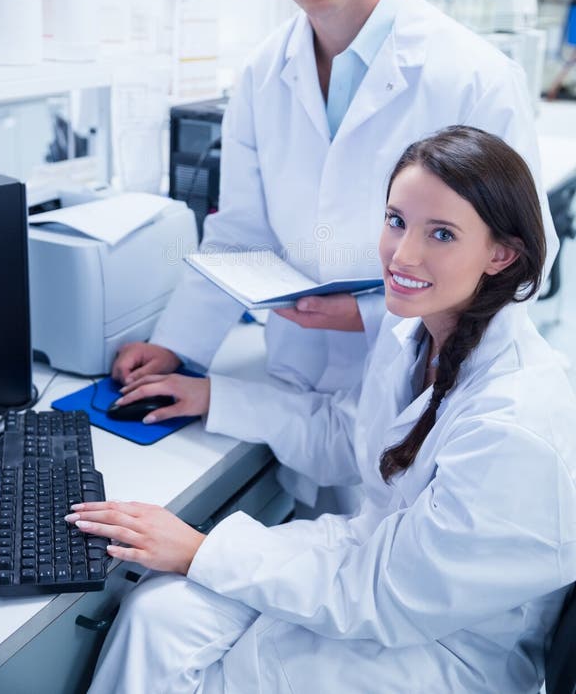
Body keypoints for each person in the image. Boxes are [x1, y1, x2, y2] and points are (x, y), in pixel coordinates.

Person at [112, 0, 557, 507]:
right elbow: (238, 233)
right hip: (293, 385)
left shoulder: (474, 76)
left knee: (371, 576)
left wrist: (373, 316)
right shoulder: (264, 73)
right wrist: (178, 346)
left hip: (419, 395)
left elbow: (525, 261)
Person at [69, 127, 576, 694]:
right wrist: (215, 397)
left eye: (442, 233)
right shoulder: (415, 334)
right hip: (370, 569)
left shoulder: (514, 423)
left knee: (235, 671)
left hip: (446, 648)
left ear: (501, 254)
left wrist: (203, 551)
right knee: (156, 613)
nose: (404, 253)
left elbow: (391, 598)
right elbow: (354, 444)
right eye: (396, 221)